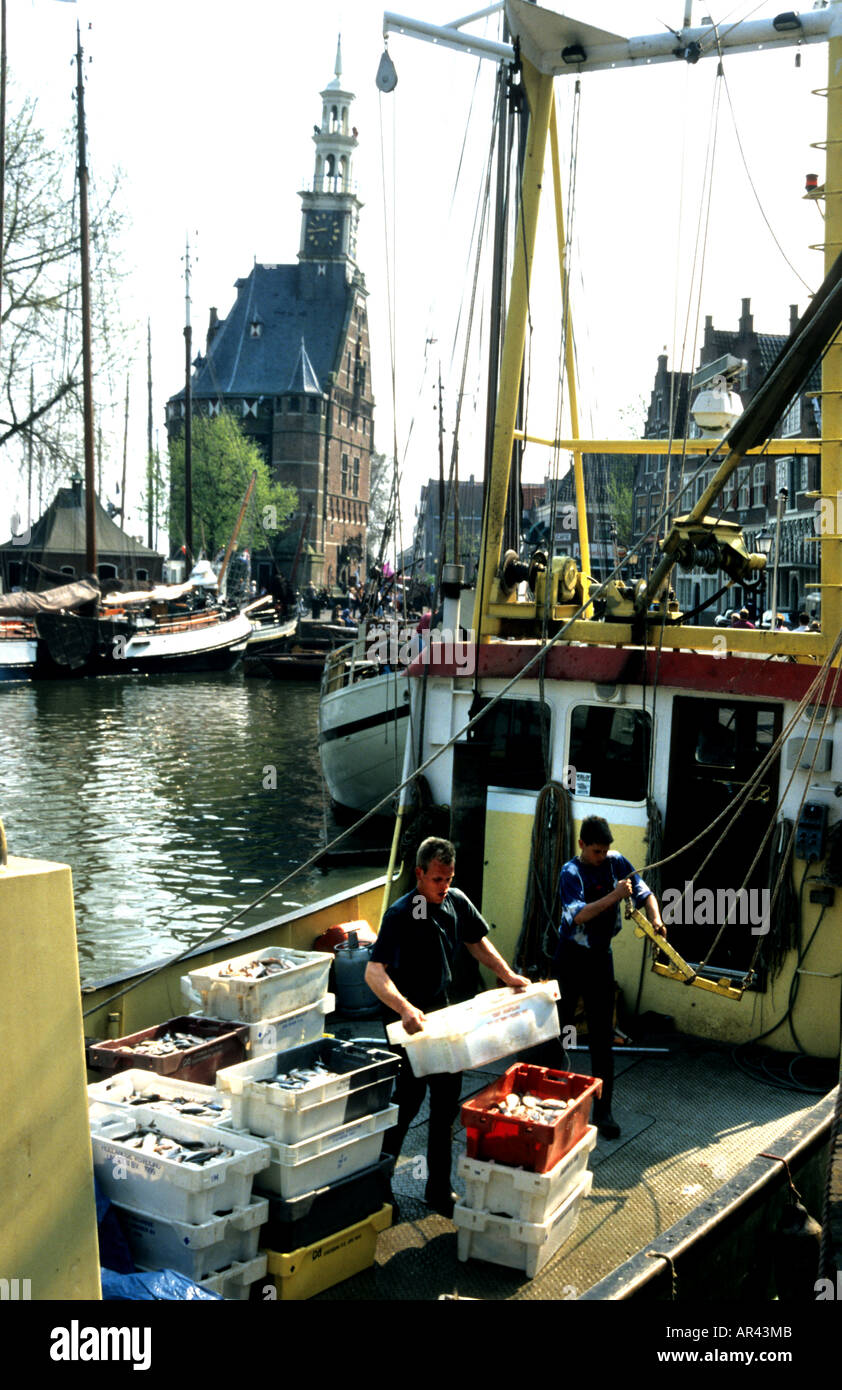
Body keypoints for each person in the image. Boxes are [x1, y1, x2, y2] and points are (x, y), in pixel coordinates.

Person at [365, 836, 530, 1217]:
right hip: (407, 1025)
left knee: (444, 1106)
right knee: (405, 1103)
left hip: (443, 1018)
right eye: (438, 880)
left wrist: (508, 976)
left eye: (449, 878)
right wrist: (404, 1007)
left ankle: (438, 1190)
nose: (444, 887)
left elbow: (478, 942)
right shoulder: (401, 914)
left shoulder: (456, 901)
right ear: (420, 874)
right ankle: (379, 1186)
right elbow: (374, 972)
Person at [555, 815, 665, 1141]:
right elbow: (580, 914)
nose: (601, 857)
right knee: (559, 1033)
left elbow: (645, 893)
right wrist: (616, 896)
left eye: (605, 851)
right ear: (582, 846)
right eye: (596, 852)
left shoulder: (616, 862)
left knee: (602, 1039)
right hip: (570, 960)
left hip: (601, 960)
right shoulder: (570, 872)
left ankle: (603, 1113)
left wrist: (656, 920)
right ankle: (554, 1103)